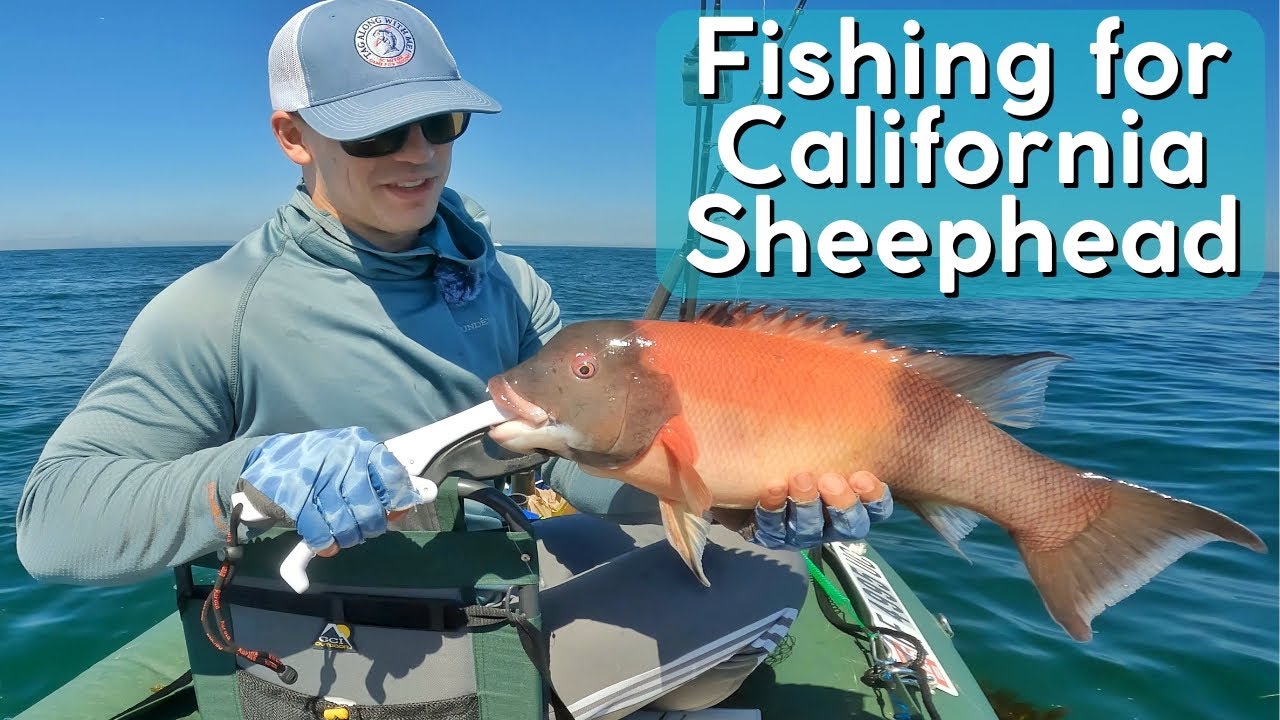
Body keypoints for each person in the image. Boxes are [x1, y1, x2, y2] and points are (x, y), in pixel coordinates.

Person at [15, 1, 892, 718]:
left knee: (759, 550)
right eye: (375, 133)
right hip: (363, 644)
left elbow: (578, 463)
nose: (419, 153)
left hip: (489, 565)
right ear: (293, 135)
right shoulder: (218, 309)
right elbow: (52, 521)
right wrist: (250, 483)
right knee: (769, 598)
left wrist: (742, 497)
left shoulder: (501, 280)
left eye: (440, 120)